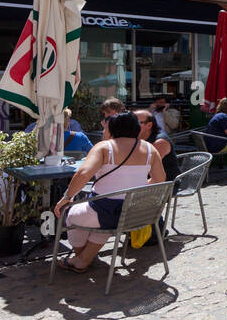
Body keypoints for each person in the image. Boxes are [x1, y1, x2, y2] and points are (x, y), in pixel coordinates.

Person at [53, 111, 167, 272]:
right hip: (136, 216)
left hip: (105, 214)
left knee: (71, 216)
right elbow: (160, 180)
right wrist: (135, 191)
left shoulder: (104, 147)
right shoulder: (150, 149)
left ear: (112, 129)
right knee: (101, 219)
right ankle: (83, 259)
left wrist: (66, 197)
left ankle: (81, 259)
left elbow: (83, 173)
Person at [137, 108, 180, 189]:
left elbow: (145, 168)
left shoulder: (160, 142)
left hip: (167, 184)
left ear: (149, 125)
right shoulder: (138, 138)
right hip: (148, 180)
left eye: (137, 122)